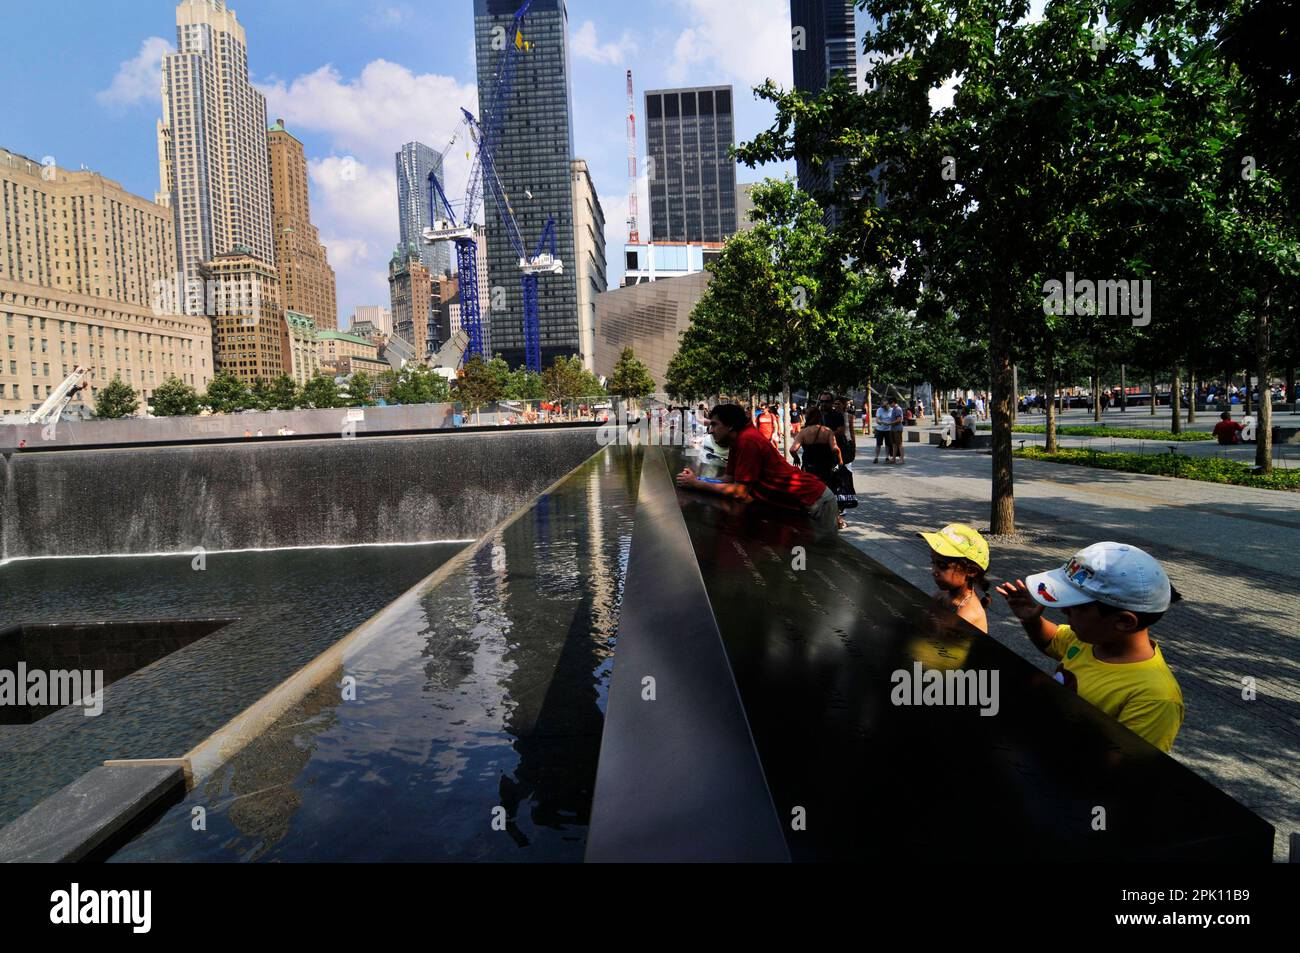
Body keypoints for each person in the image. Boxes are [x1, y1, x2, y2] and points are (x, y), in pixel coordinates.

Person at [995, 542, 1185, 753]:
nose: (1064, 610)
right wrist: (1032, 621)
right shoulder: (1091, 641)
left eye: (1076, 607)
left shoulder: (1154, 697)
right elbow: (1052, 640)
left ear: (1124, 621)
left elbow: (1130, 771)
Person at [676, 403, 838, 534]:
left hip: (815, 500)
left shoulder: (748, 441)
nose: (711, 431)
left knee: (824, 553)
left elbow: (740, 491)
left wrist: (697, 484)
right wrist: (697, 479)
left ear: (730, 426)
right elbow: (728, 479)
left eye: (715, 425)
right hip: (801, 502)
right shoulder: (737, 441)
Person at [920, 523, 991, 633]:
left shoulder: (967, 615)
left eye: (942, 566)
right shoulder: (943, 595)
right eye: (933, 562)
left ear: (971, 571)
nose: (934, 571)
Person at [791, 407, 847, 528]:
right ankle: (836, 519)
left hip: (809, 468)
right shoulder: (827, 431)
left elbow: (792, 449)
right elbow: (835, 449)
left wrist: (796, 458)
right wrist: (840, 461)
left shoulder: (803, 432)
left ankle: (810, 518)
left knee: (810, 493)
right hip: (826, 468)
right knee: (830, 492)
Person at [889, 397, 906, 463]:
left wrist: (890, 423)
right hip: (893, 428)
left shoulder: (898, 409)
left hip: (897, 429)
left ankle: (902, 459)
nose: (890, 405)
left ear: (893, 402)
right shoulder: (894, 409)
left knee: (899, 444)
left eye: (891, 403)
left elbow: (899, 420)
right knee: (894, 444)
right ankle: (893, 458)